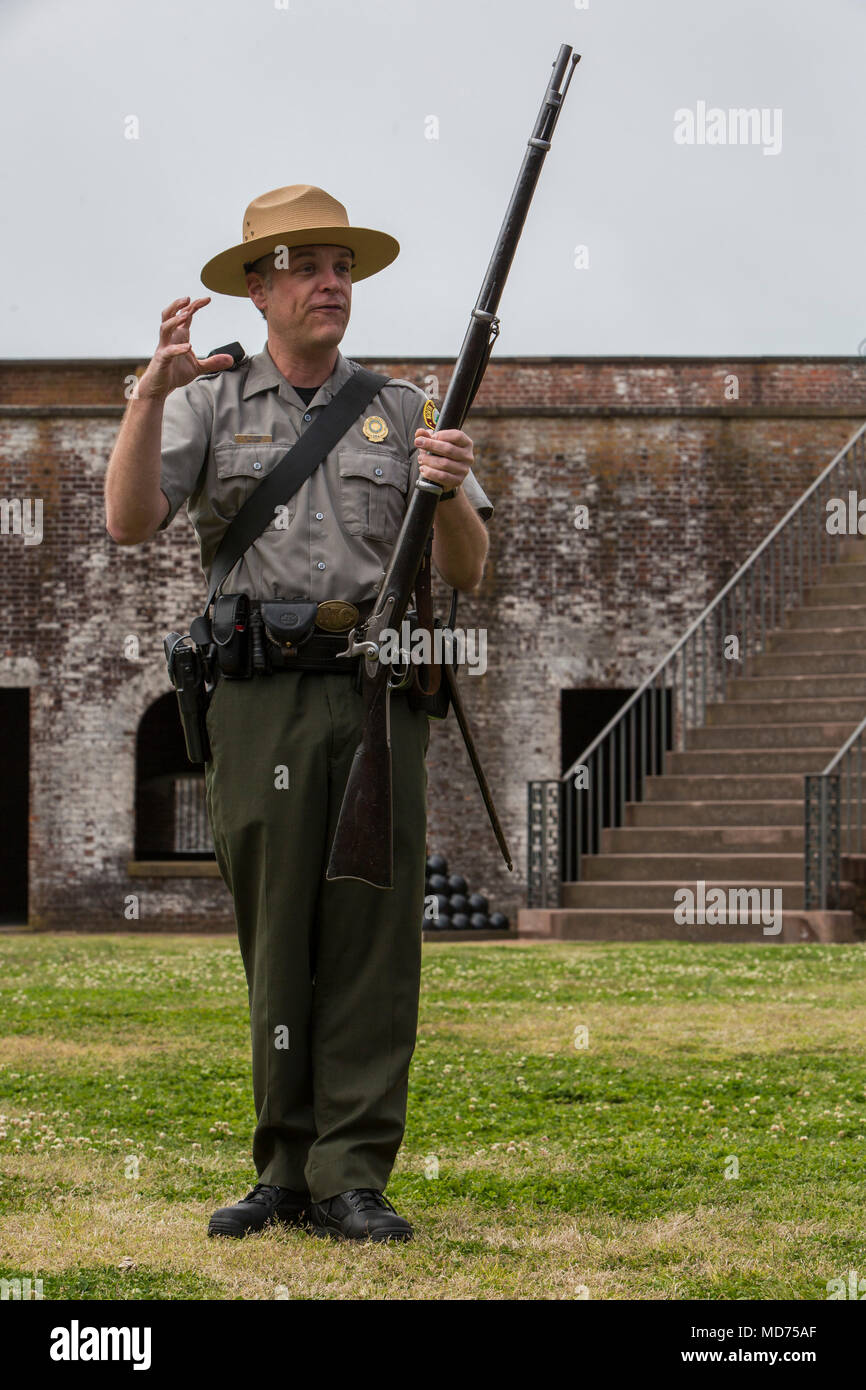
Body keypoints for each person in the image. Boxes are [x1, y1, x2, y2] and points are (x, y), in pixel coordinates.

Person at [104, 183, 494, 1242]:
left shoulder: (404, 410)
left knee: (372, 935)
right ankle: (283, 1167)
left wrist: (447, 488)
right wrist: (146, 398)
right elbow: (130, 521)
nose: (331, 283)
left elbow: (470, 567)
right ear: (258, 287)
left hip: (376, 694)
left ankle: (351, 1172)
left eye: (342, 266)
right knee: (277, 931)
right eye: (308, 266)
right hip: (256, 698)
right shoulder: (207, 401)